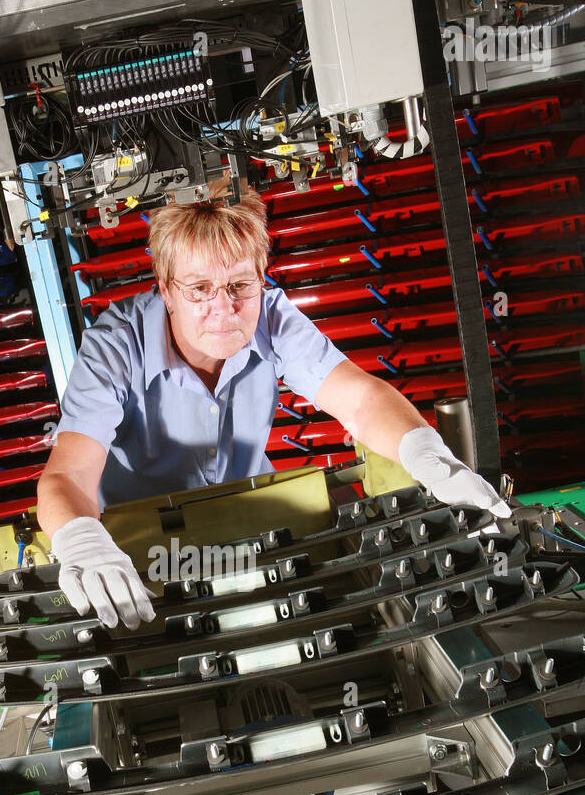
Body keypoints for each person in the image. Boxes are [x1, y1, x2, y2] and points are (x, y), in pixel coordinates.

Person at [37, 189, 509, 630]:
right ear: (165, 288)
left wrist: (426, 452)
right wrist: (84, 542)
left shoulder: (272, 315)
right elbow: (68, 475)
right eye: (199, 289)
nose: (224, 307)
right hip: (142, 550)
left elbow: (361, 399)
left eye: (240, 284)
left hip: (253, 527)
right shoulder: (117, 343)